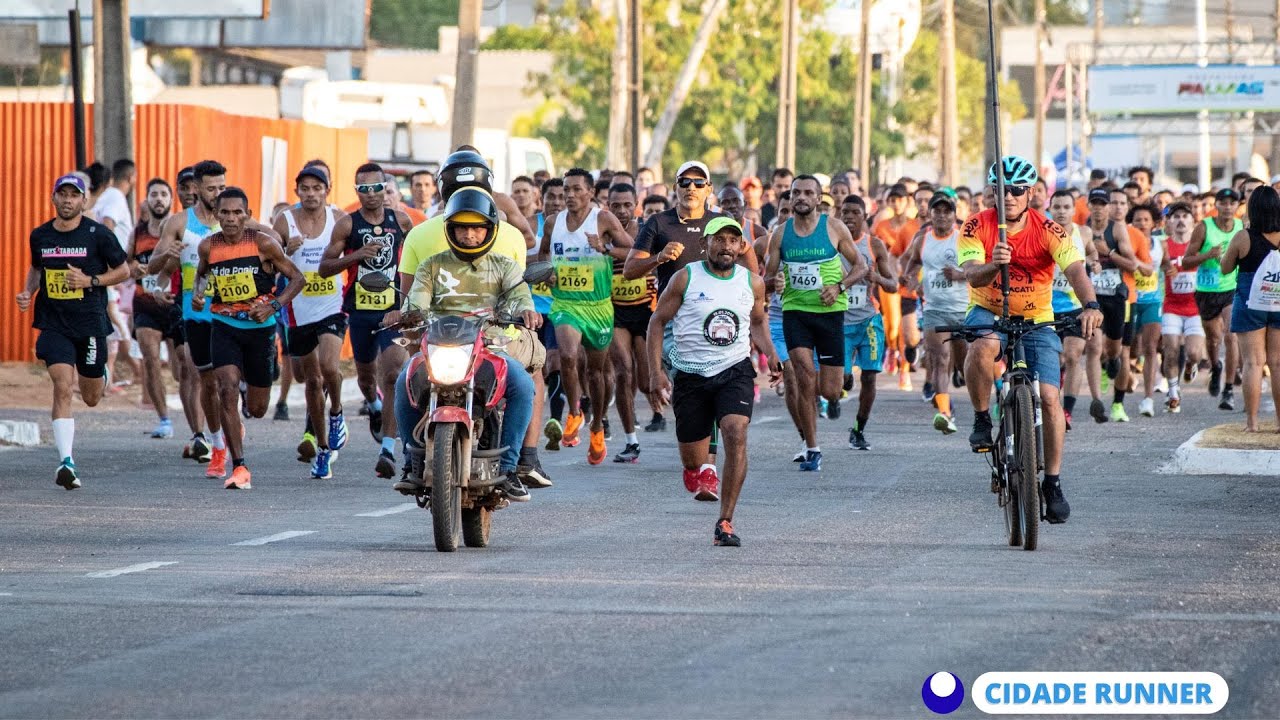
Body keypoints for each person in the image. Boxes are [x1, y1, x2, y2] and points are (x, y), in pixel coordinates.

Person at [959, 156, 1103, 525]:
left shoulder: (1051, 229)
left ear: (1031, 194)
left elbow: (1074, 270)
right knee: (983, 346)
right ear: (993, 192)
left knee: (1052, 399)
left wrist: (1090, 305)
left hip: (1037, 315)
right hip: (988, 308)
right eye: (1001, 190)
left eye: (1018, 191)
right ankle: (980, 419)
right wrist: (994, 264)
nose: (1008, 197)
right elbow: (972, 276)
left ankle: (1052, 483)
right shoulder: (977, 224)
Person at [398, 152, 553, 489]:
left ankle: (512, 467)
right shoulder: (432, 265)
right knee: (404, 380)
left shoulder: (504, 266)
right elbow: (416, 301)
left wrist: (526, 310)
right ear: (450, 229)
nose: (469, 235)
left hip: (491, 347)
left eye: (477, 228)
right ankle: (411, 460)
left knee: (523, 385)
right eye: (462, 228)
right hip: (441, 346)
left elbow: (519, 294)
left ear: (490, 229)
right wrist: (407, 312)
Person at [647, 217, 782, 546]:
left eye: (733, 240)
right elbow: (657, 322)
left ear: (740, 246)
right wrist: (655, 372)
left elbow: (759, 322)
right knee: (693, 461)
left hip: (734, 369)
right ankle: (697, 470)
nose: (726, 245)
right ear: (705, 244)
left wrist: (773, 354)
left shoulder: (752, 282)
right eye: (719, 239)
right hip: (691, 373)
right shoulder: (685, 278)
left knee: (736, 432)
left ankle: (725, 520)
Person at [16, 173, 131, 489]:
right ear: (53, 198)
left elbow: (124, 270)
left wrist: (90, 281)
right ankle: (66, 461)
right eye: (62, 194)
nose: (67, 200)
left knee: (92, 396)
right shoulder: (40, 236)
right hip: (54, 323)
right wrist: (28, 292)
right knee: (62, 385)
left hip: (90, 323)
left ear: (84, 200)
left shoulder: (97, 235)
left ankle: (101, 377)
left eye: (73, 195)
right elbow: (37, 268)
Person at [193, 187, 304, 489]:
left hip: (260, 331)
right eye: (224, 213)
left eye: (236, 213)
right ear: (216, 215)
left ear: (248, 215)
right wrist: (197, 293)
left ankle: (241, 409)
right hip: (224, 325)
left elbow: (298, 278)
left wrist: (273, 306)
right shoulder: (208, 247)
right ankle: (240, 467)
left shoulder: (264, 244)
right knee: (224, 387)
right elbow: (202, 273)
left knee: (257, 408)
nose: (230, 219)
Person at [765, 174, 868, 472]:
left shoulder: (833, 228)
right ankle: (812, 447)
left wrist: (839, 287)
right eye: (796, 192)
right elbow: (766, 280)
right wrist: (777, 281)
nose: (801, 197)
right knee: (803, 377)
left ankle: (832, 399)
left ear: (818, 198)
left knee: (830, 389)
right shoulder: (781, 234)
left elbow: (861, 267)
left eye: (808, 193)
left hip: (830, 313)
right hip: (795, 312)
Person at [320, 163, 412, 477]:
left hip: (394, 309)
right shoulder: (347, 225)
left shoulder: (401, 221)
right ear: (356, 190)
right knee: (366, 379)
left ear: (386, 189)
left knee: (394, 374)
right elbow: (325, 267)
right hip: (360, 309)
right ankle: (373, 406)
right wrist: (356, 256)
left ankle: (387, 449)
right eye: (364, 189)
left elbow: (417, 261)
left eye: (377, 188)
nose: (371, 195)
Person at [541, 168, 634, 463]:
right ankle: (574, 412)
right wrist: (548, 272)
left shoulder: (603, 219)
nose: (569, 195)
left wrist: (605, 248)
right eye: (566, 189)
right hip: (565, 303)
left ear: (590, 192)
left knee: (596, 372)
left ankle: (597, 425)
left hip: (598, 306)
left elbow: (634, 250)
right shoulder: (553, 222)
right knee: (568, 356)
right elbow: (544, 254)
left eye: (576, 189)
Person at [148, 160, 231, 478]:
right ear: (196, 189)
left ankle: (228, 431)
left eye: (222, 186)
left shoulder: (233, 220)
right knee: (209, 382)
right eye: (212, 188)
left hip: (229, 313)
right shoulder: (179, 222)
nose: (218, 193)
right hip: (196, 314)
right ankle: (217, 444)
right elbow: (156, 268)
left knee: (229, 381)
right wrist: (163, 271)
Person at [275, 165, 348, 479]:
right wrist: (283, 250)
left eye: (317, 188)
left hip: (332, 305)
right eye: (305, 189)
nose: (311, 194)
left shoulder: (339, 219)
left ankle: (337, 414)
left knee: (330, 367)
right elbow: (266, 256)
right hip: (298, 309)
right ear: (297, 192)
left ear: (327, 190)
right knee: (311, 380)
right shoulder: (285, 221)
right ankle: (322, 449)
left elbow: (354, 250)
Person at [129, 178, 190, 441]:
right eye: (153, 194)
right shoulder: (138, 232)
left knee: (183, 368)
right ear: (146, 199)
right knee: (151, 360)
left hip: (175, 305)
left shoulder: (179, 229)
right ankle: (164, 419)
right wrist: (135, 269)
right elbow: (126, 264)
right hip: (146, 306)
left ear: (170, 199)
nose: (158, 199)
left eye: (163, 194)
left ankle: (195, 420)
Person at [902, 190, 968, 434]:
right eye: (937, 211)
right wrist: (909, 276)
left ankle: (961, 374)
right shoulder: (923, 239)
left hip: (962, 309)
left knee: (962, 362)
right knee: (939, 360)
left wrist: (960, 275)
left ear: (954, 214)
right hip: (934, 309)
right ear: (930, 214)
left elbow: (977, 268)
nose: (941, 215)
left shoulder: (963, 239)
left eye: (946, 211)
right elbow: (913, 260)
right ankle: (945, 413)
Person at [837, 194, 896, 450]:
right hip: (840, 323)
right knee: (843, 379)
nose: (849, 217)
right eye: (845, 212)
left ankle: (859, 428)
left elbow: (893, 284)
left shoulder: (875, 245)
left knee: (870, 377)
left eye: (854, 212)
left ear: (865, 216)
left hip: (869, 320)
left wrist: (877, 279)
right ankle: (844, 380)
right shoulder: (832, 244)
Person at [1221, 185, 1280, 432]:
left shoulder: (1243, 237)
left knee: (1253, 363)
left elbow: (1225, 267)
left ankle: (1252, 423)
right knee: (1277, 364)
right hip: (1279, 302)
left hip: (1249, 302)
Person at [605, 183, 656, 462]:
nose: (622, 211)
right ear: (608, 206)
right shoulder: (602, 231)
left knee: (647, 383)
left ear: (636, 204)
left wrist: (607, 251)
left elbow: (643, 257)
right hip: (615, 313)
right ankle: (630, 441)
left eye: (627, 205)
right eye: (616, 205)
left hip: (646, 311)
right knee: (623, 371)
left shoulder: (646, 231)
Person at [1183, 188, 1243, 411]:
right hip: (1206, 290)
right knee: (1213, 339)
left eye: (1232, 203)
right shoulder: (1204, 228)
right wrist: (1208, 255)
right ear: (1216, 205)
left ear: (1237, 206)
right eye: (1223, 203)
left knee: (1231, 335)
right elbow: (1187, 261)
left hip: (1231, 288)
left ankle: (1228, 389)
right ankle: (1216, 366)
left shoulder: (1240, 227)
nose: (1228, 207)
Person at [1046, 189, 1098, 429]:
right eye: (1056, 207)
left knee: (1073, 354)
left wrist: (1094, 262)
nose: (1061, 212)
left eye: (1066, 207)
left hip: (1075, 304)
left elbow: (1092, 251)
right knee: (1054, 359)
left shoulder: (1084, 232)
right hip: (1046, 305)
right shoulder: (1042, 231)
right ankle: (1052, 402)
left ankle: (1066, 410)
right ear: (1050, 209)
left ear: (1074, 210)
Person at [1160, 201, 1204, 413]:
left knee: (1194, 354)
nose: (1180, 220)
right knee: (1170, 349)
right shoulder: (1163, 246)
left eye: (1185, 216)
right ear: (1169, 221)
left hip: (1196, 308)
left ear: (1192, 222)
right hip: (1172, 307)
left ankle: (1190, 365)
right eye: (1176, 216)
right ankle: (1173, 392)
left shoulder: (1198, 245)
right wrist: (1163, 264)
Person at [1127, 203, 1165, 418]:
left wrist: (1171, 270)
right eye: (1137, 220)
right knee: (1131, 348)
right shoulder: (1127, 242)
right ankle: (1130, 371)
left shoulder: (1160, 245)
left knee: (1150, 348)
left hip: (1152, 301)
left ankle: (1148, 398)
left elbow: (1168, 266)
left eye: (1146, 220)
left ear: (1154, 224)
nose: (1141, 223)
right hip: (1131, 301)